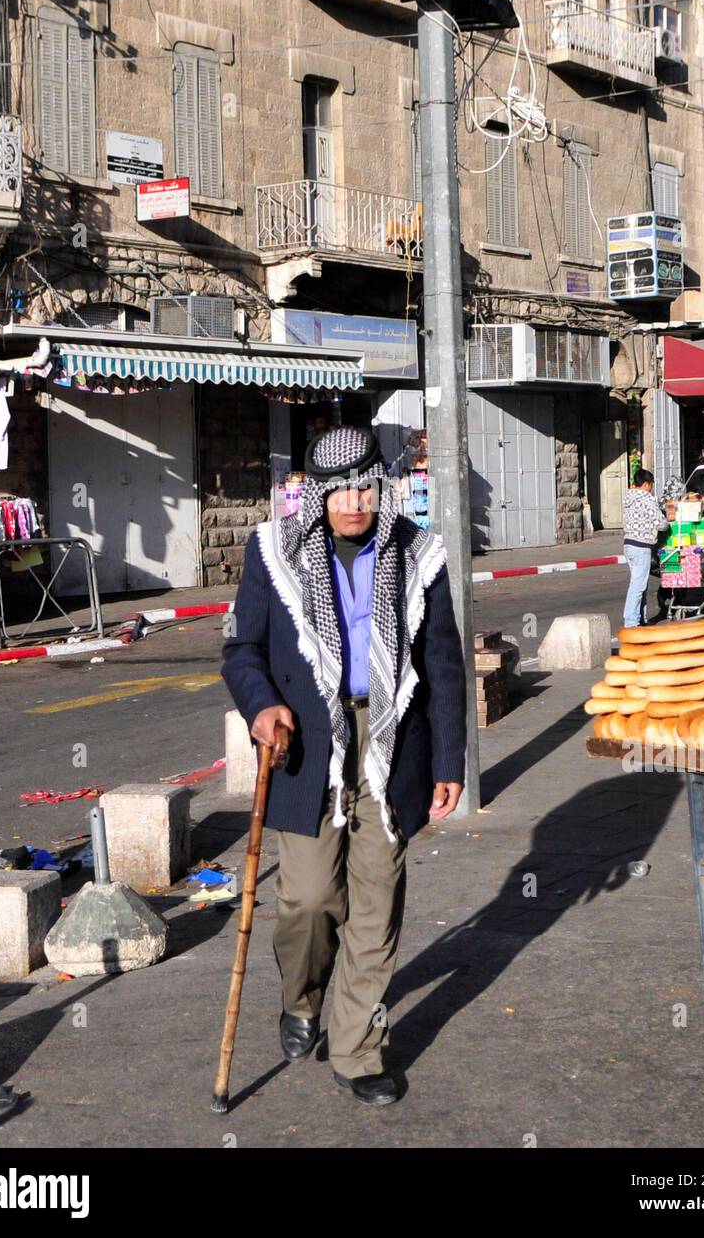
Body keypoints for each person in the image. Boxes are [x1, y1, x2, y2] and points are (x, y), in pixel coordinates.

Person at [221, 425, 466, 1106]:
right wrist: (262, 706)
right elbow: (242, 650)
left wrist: (450, 759)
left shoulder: (418, 555)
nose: (354, 501)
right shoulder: (274, 553)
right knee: (306, 899)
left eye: (366, 486)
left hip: (390, 742)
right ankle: (302, 998)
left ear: (382, 487)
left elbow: (443, 666)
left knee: (376, 900)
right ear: (317, 493)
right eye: (340, 489)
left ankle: (358, 1049)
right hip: (308, 744)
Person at [622, 468, 667, 628]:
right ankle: (631, 621)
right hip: (642, 546)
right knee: (638, 585)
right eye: (652, 484)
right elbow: (661, 524)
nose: (652, 487)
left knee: (640, 583)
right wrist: (667, 520)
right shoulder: (648, 499)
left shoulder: (628, 497)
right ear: (647, 484)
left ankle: (640, 618)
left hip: (628, 544)